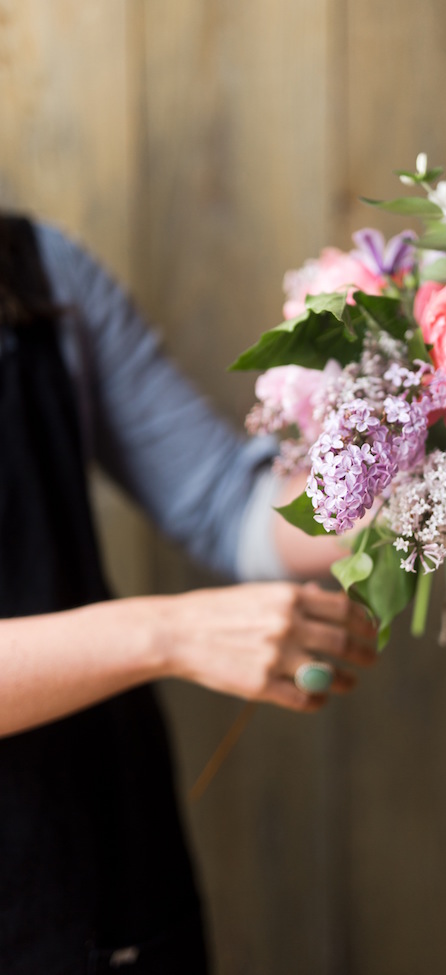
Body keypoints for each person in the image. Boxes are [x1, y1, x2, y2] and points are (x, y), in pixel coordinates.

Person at [0, 214, 377, 974]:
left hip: (104, 862)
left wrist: (435, 446)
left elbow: (224, 508)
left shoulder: (37, 271)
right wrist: (168, 634)